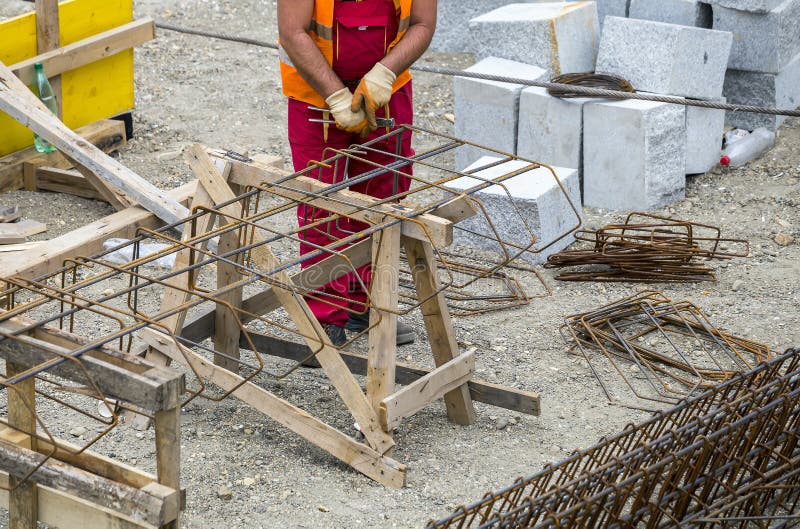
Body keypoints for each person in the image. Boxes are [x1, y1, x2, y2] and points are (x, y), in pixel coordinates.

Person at [277, 0, 437, 346]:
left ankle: (363, 302)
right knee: (322, 206)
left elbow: (423, 24)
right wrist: (335, 94)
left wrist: (384, 73)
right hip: (314, 95)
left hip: (387, 94)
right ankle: (324, 317)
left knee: (383, 197)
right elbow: (292, 32)